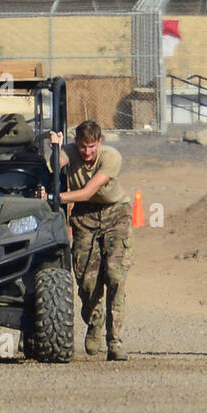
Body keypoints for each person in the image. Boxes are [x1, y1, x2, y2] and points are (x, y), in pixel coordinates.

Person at [49, 120, 131, 360]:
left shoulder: (111, 157)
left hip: (115, 214)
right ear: (77, 143)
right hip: (84, 217)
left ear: (100, 143)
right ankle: (95, 321)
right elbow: (54, 166)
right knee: (87, 280)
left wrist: (55, 197)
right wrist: (56, 149)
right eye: (83, 147)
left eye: (92, 147)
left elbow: (86, 192)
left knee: (116, 276)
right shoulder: (70, 152)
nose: (87, 153)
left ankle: (115, 341)